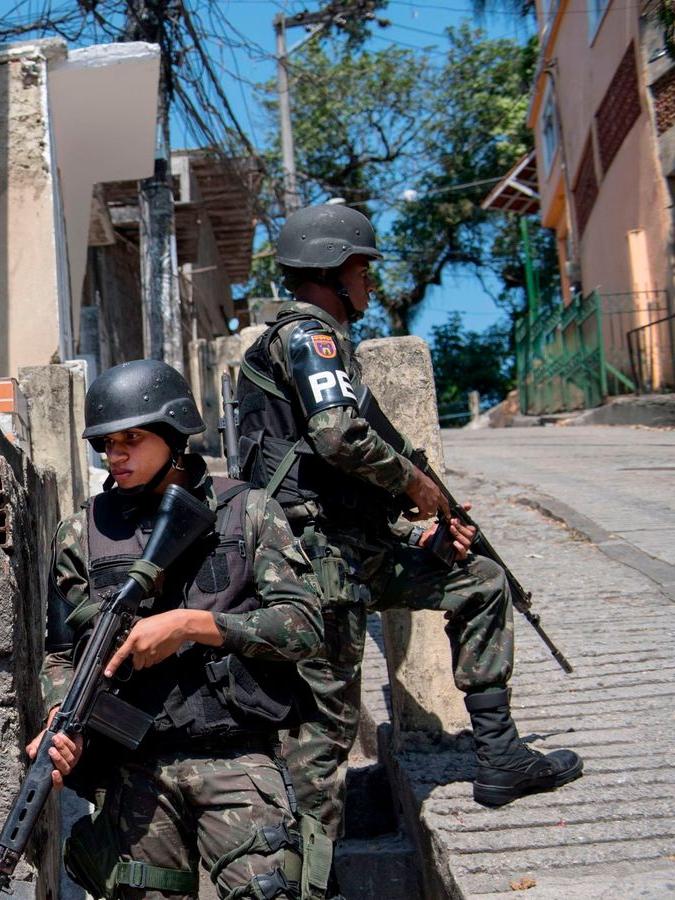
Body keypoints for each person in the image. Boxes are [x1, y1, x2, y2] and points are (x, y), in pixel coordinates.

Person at [234, 204, 582, 871]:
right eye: (363, 270)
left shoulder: (314, 343)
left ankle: (501, 754)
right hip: (313, 569)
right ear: (334, 271)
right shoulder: (312, 337)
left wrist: (414, 531)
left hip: (350, 552)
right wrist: (418, 486)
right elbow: (338, 438)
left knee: (479, 580)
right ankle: (302, 876)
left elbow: (326, 467)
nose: (371, 286)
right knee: (326, 740)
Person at [39, 359, 324, 899]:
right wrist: (61, 712)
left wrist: (195, 625)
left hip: (236, 757)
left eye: (131, 439)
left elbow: (305, 626)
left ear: (174, 438)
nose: (114, 455)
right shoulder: (81, 531)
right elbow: (58, 655)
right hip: (135, 771)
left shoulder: (248, 512)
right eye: (105, 444)